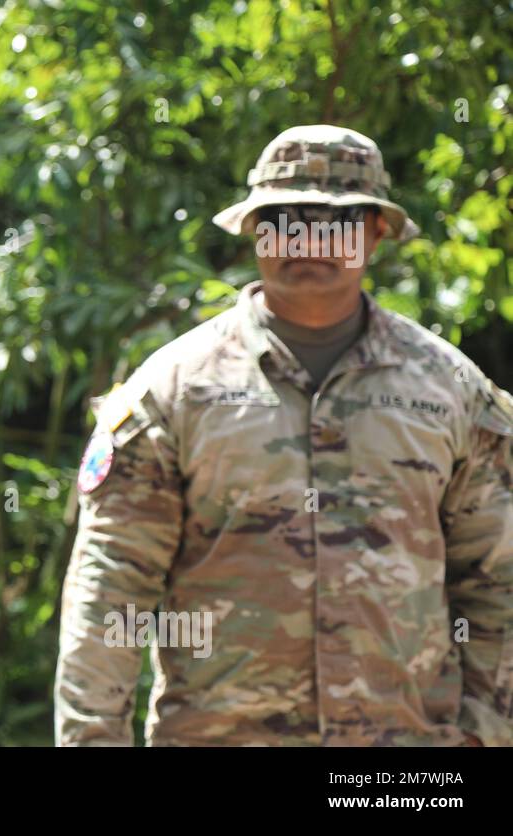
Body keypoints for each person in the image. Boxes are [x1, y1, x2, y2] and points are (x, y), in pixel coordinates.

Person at [55, 124, 513, 746]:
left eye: (339, 218)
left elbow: (498, 586)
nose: (309, 239)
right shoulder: (172, 393)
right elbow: (111, 594)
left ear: (378, 231)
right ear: (252, 229)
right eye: (286, 217)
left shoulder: (451, 394)